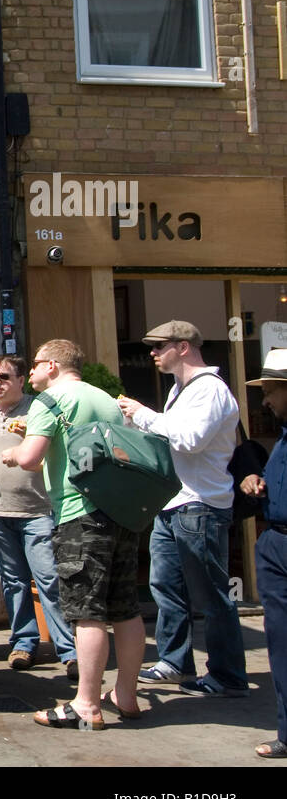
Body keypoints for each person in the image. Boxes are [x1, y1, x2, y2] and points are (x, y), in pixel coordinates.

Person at [2, 339, 145, 729]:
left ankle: (86, 704)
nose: (29, 373)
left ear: (51, 366)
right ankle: (127, 696)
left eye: (34, 365)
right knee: (126, 609)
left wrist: (14, 452)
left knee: (87, 613)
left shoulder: (50, 401)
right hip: (120, 512)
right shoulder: (106, 399)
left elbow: (31, 459)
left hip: (79, 514)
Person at [117, 321, 248, 697]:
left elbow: (189, 440)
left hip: (201, 506)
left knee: (211, 595)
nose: (153, 354)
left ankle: (228, 676)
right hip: (176, 502)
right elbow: (172, 439)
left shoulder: (208, 390)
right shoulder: (182, 389)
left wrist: (142, 414)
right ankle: (175, 661)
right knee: (165, 587)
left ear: (185, 347)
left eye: (160, 346)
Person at [0, 354, 78, 678]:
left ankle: (69, 650)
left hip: (38, 511)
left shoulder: (39, 408)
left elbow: (60, 449)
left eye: (4, 377)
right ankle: (24, 643)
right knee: (13, 583)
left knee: (49, 579)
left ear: (21, 380)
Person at [242, 348, 287, 758]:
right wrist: (258, 479)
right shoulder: (284, 435)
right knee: (280, 641)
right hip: (275, 540)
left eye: (272, 391)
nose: (265, 400)